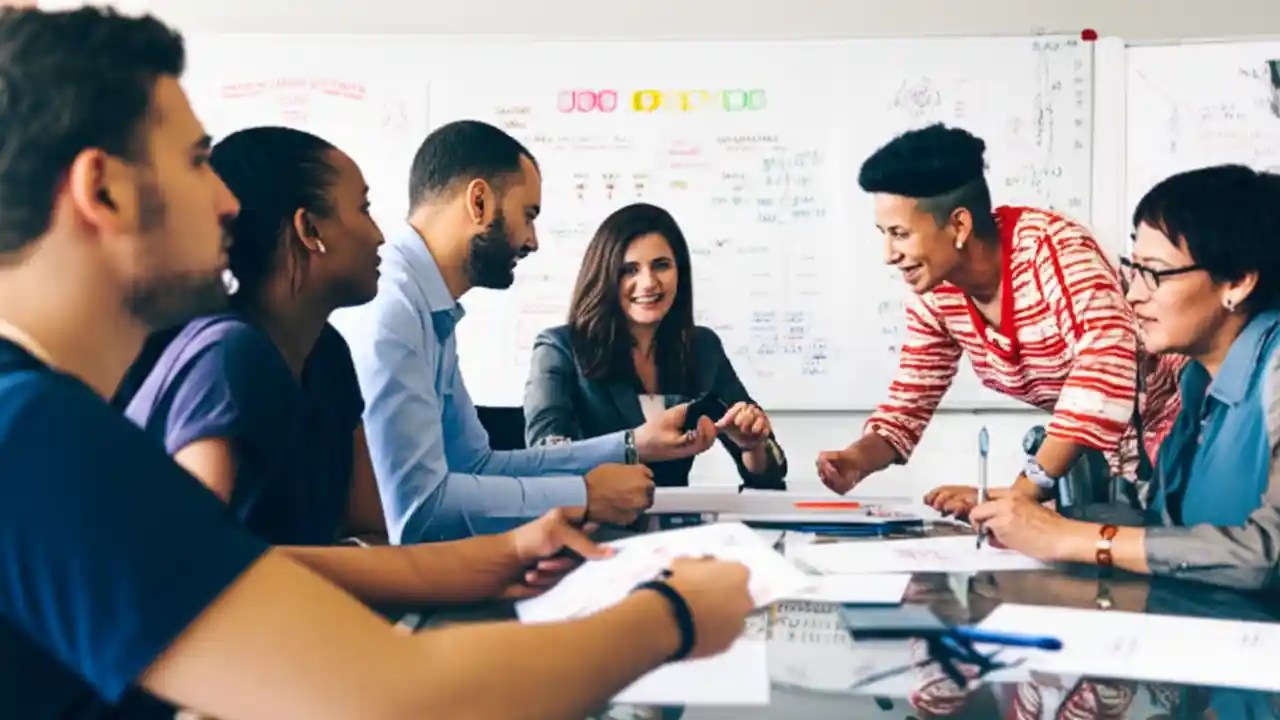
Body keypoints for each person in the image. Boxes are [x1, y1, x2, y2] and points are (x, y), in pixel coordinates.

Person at [0, 7, 754, 718]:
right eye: (198, 161)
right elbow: (402, 697)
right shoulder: (37, 438)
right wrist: (673, 615)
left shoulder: (43, 419)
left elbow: (249, 566)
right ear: (103, 190)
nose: (228, 201)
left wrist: (493, 557)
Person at [332, 120, 720, 544]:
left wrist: (631, 445)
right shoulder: (394, 309)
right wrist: (584, 496)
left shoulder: (430, 309)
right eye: (528, 215)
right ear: (479, 202)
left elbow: (476, 465)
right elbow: (418, 513)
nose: (533, 241)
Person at [816, 123, 1184, 517]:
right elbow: (911, 397)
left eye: (900, 234)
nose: (889, 254)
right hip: (1117, 458)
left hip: (1187, 428)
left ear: (959, 225)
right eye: (884, 233)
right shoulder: (937, 291)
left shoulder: (1054, 252)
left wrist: (1019, 494)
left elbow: (1104, 370)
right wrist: (856, 459)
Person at [971, 165, 1280, 593]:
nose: (1132, 294)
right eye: (1133, 270)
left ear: (1238, 282)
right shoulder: (1195, 380)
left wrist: (1073, 539)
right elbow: (1166, 525)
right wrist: (1018, 511)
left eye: (1155, 273)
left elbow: (1268, 554)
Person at [122, 126, 386, 547]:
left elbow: (371, 534)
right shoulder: (227, 357)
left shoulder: (329, 354)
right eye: (364, 208)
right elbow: (195, 563)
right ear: (309, 230)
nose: (379, 235)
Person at [524, 202, 787, 489]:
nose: (648, 282)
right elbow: (545, 457)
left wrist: (753, 446)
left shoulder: (702, 347)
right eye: (629, 270)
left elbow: (770, 475)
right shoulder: (558, 348)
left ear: (679, 272)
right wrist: (632, 446)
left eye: (661, 265)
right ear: (605, 275)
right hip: (596, 515)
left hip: (678, 516)